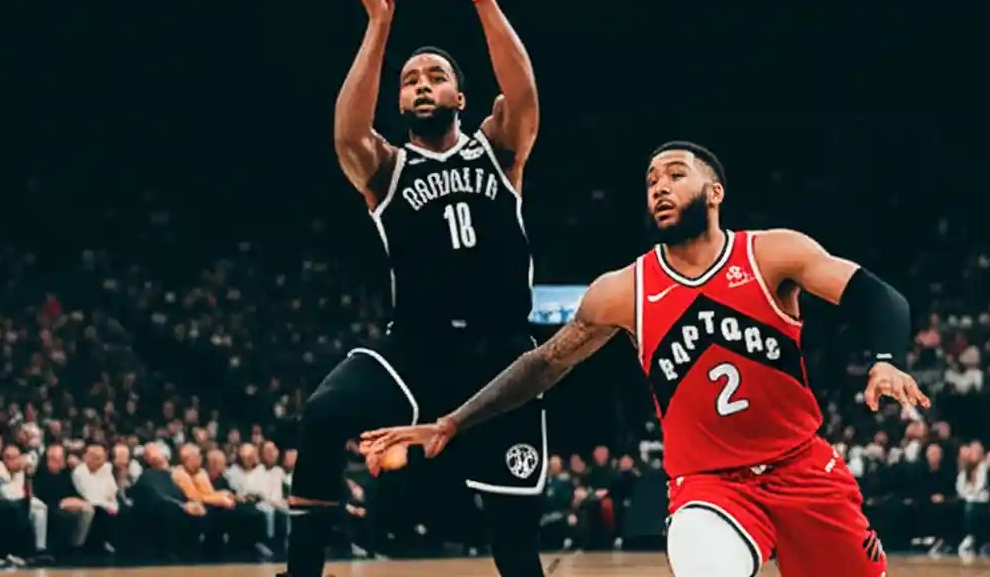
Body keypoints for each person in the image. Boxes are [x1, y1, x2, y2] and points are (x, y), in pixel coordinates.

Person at [361, 142, 930, 577]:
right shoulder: (623, 290)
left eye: (676, 174)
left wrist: (886, 359)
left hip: (802, 471)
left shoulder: (772, 252)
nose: (659, 186)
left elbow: (878, 296)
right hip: (709, 488)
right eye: (651, 179)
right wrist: (451, 421)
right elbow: (542, 366)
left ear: (714, 192)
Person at [281, 0, 544, 577]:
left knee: (515, 548)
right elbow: (346, 133)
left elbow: (524, 91)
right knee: (323, 413)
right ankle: (303, 570)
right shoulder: (386, 168)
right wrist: (378, 24)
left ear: (460, 94)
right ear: (400, 104)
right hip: (416, 348)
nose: (421, 83)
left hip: (504, 359)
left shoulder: (498, 149)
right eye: (410, 80)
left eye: (434, 76)